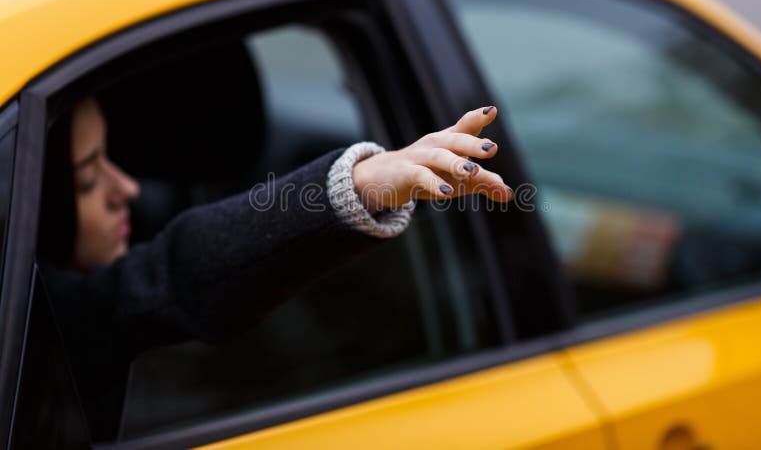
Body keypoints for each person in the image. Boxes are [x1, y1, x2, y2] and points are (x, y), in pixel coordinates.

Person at [36, 96, 513, 440]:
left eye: (112, 160)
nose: (127, 189)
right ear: (33, 205)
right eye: (87, 180)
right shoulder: (41, 328)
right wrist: (356, 185)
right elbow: (172, 275)